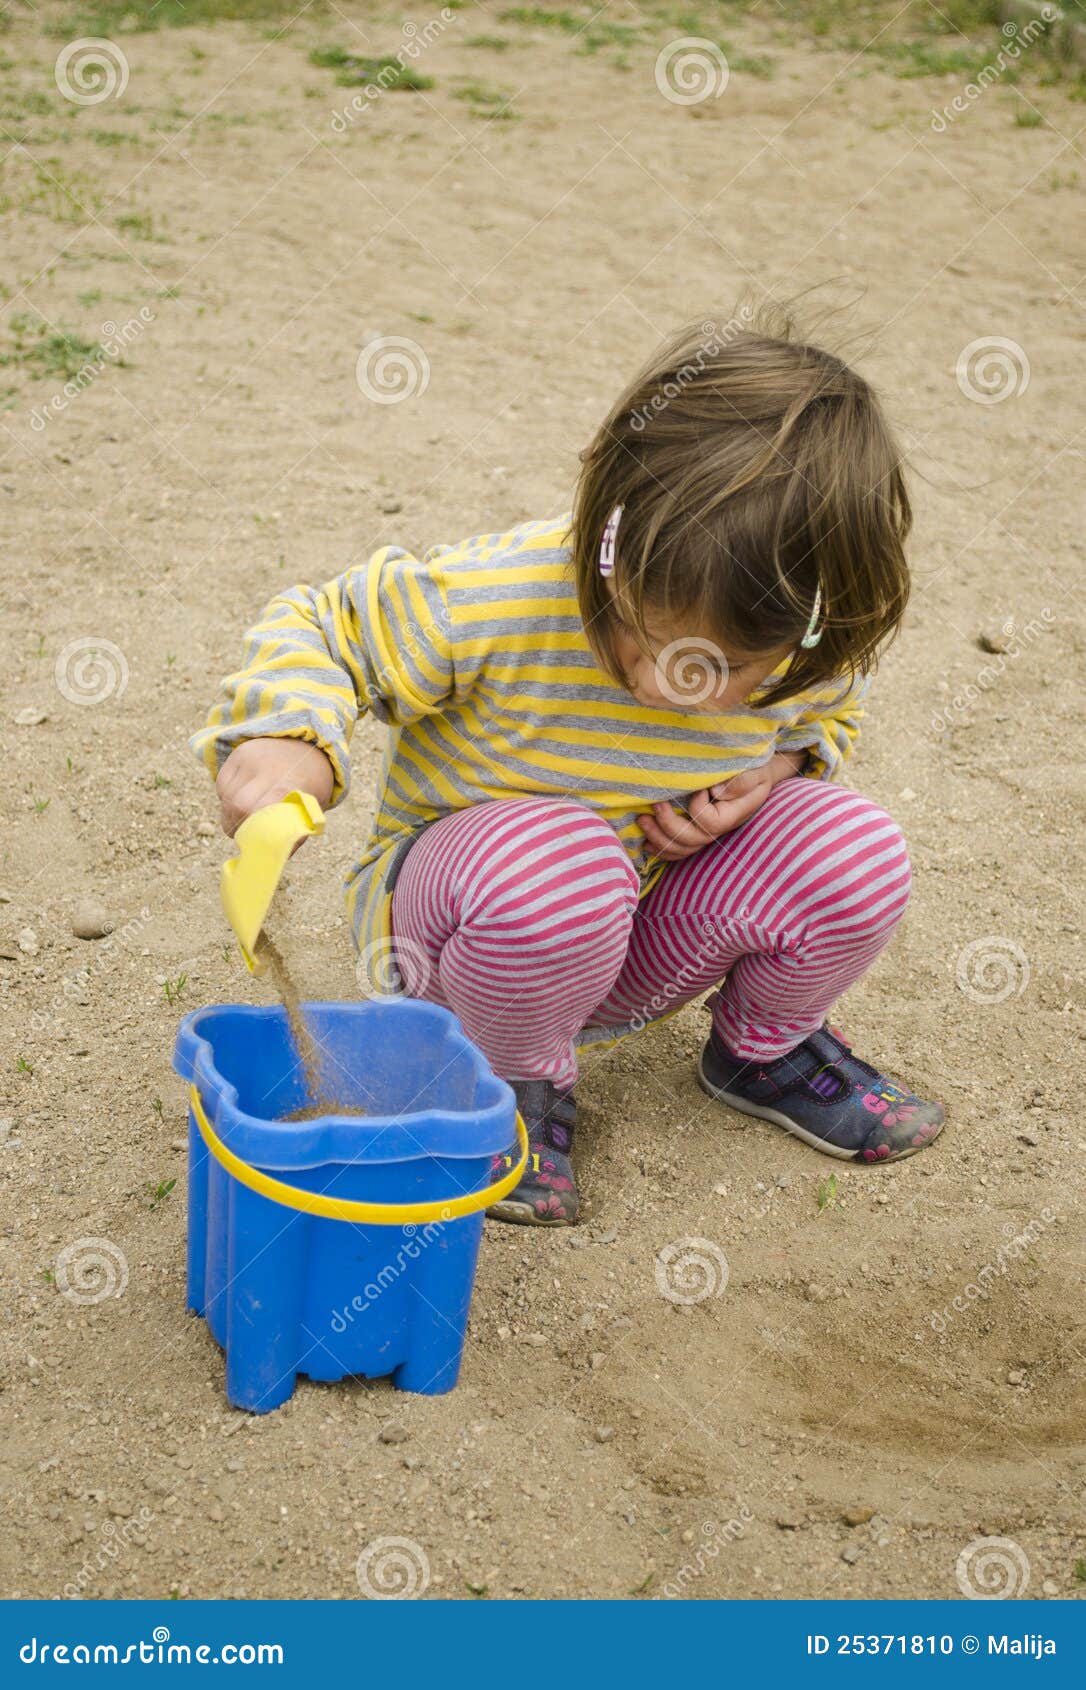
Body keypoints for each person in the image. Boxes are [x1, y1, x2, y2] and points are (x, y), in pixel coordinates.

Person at [195, 309, 944, 1227]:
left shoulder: (799, 645)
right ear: (609, 525)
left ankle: (761, 1051)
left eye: (725, 673)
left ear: (818, 624)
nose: (659, 683)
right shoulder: (501, 599)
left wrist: (783, 764)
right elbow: (324, 626)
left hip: (633, 936)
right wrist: (289, 737)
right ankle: (506, 1081)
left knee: (856, 849)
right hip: (465, 931)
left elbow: (831, 713)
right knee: (564, 863)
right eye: (636, 628)